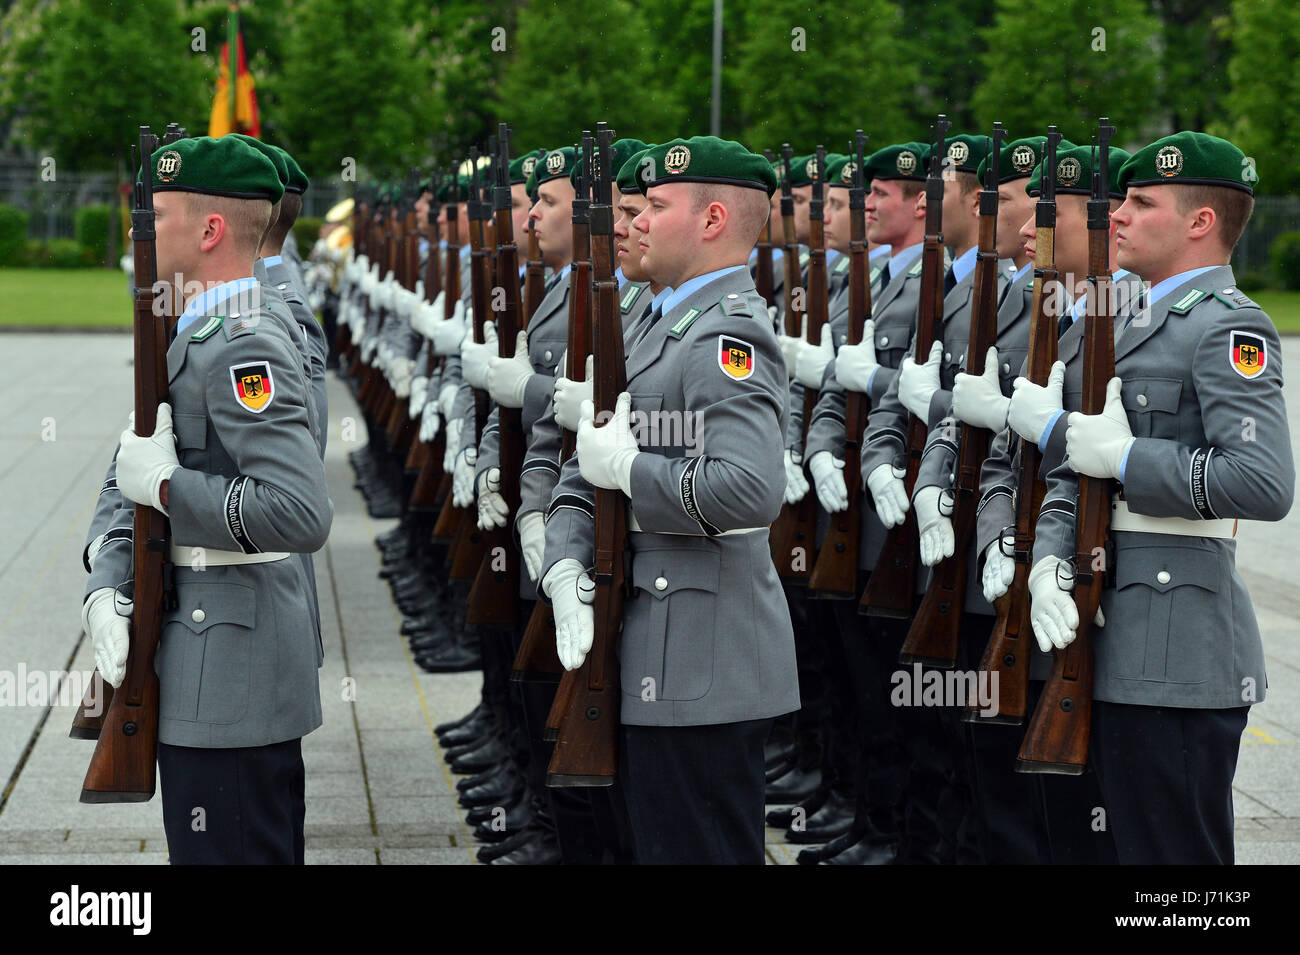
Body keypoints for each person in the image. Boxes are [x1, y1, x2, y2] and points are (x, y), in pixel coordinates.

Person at [1028, 131, 1293, 864]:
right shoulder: (1119, 319)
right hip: (1100, 633)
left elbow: (1265, 482)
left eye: (1142, 202)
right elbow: (1072, 475)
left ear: (1199, 222)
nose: (1118, 214)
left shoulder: (1228, 324)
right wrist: (1047, 562)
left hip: (1177, 652)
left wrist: (1130, 457)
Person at [540, 136, 800, 864]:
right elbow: (583, 470)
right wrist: (563, 563)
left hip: (701, 663)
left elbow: (748, 488)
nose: (631, 221)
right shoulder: (651, 322)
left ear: (713, 219)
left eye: (654, 206)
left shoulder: (727, 334)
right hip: (647, 647)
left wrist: (628, 470)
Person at [82, 134, 332, 864]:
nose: (138, 231)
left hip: (232, 673)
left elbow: (297, 508)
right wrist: (107, 573)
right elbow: (130, 462)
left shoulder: (242, 341)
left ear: (210, 230)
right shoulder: (193, 327)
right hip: (206, 656)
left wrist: (165, 486)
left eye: (153, 215)